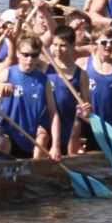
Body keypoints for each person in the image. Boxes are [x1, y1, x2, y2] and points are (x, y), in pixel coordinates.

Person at [0, 34, 61, 160]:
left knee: (43, 137)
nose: (30, 59)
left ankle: (35, 168)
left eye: (34, 55)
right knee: (2, 143)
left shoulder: (44, 81)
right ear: (18, 53)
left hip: (32, 134)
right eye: (26, 54)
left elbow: (53, 113)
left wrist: (56, 146)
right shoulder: (7, 74)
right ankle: (1, 169)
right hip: (8, 130)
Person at [44, 25, 89, 155]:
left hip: (66, 124)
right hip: (45, 122)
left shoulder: (81, 75)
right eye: (55, 45)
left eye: (62, 45)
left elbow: (86, 108)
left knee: (75, 129)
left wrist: (83, 109)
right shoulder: (45, 66)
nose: (58, 49)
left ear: (72, 46)